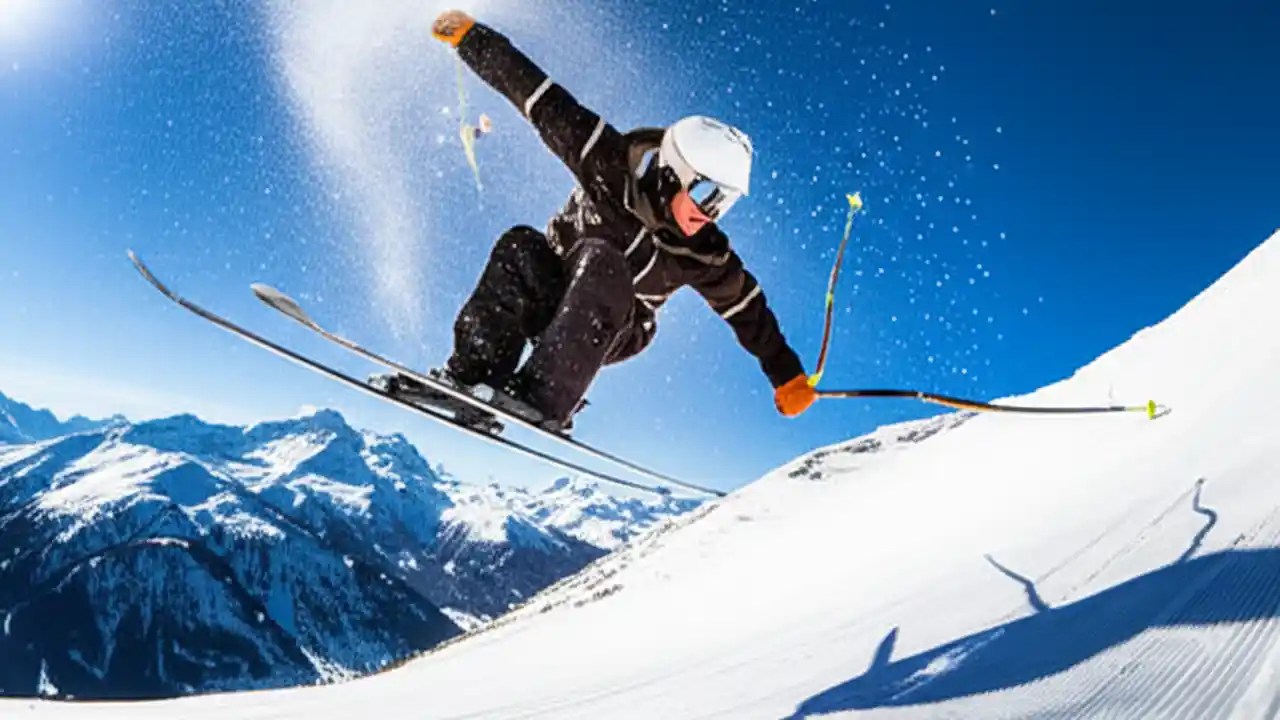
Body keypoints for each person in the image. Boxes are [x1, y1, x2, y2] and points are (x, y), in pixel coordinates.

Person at [424, 10, 816, 432]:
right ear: (674, 173)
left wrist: (787, 375)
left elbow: (747, 309)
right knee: (520, 245)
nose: (711, 212)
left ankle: (544, 397)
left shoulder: (703, 251)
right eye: (707, 193)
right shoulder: (606, 160)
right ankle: (473, 374)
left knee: (602, 259)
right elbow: (538, 97)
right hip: (553, 291)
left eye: (727, 202)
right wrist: (472, 40)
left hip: (615, 326)